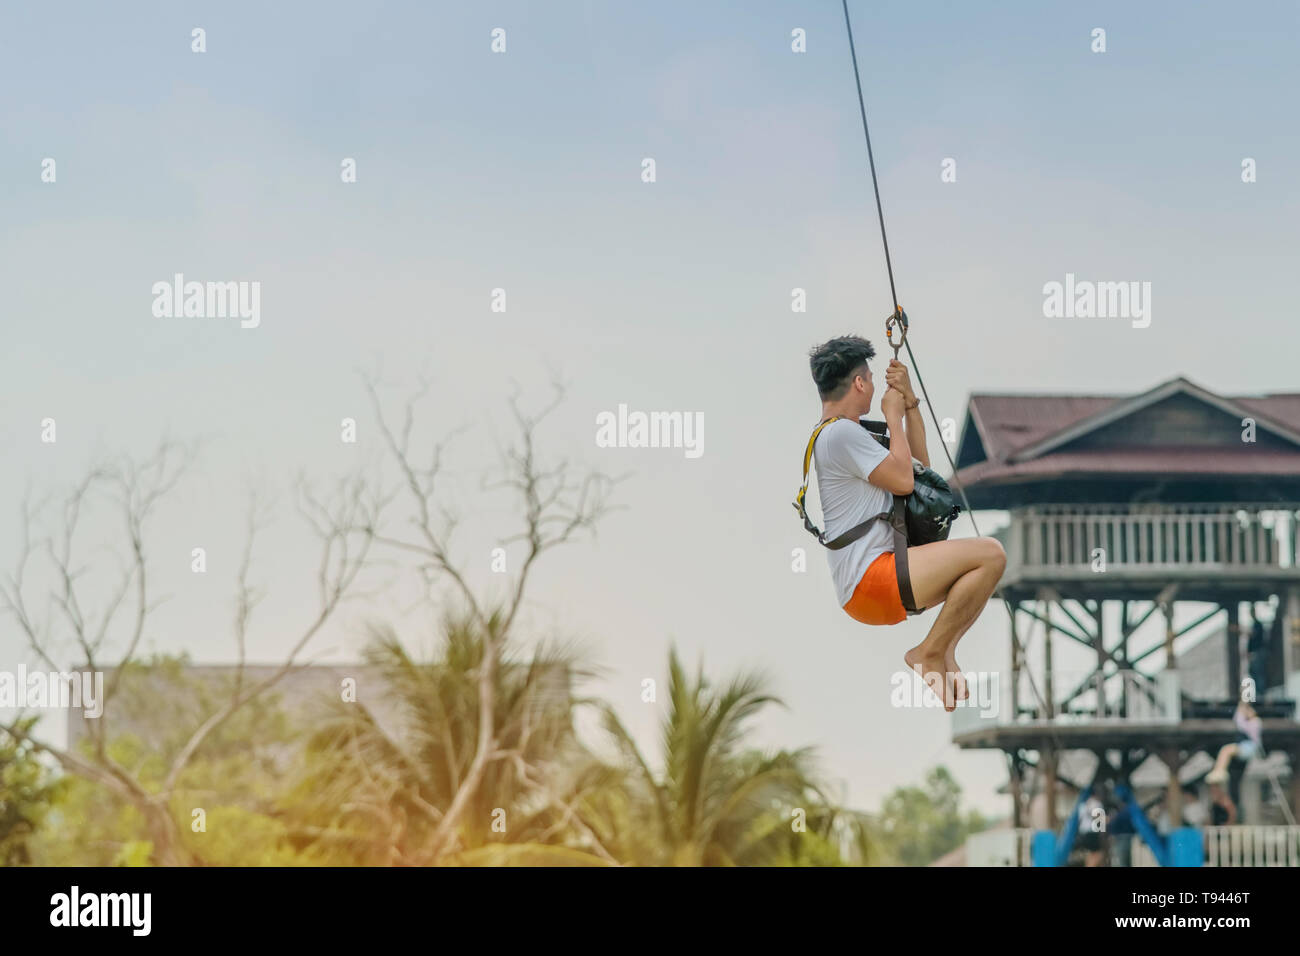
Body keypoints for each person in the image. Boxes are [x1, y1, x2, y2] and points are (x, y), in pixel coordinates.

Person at [807, 336, 1006, 710]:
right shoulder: (840, 434)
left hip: (876, 585)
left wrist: (910, 403)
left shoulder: (846, 434)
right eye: (869, 375)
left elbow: (919, 469)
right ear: (860, 383)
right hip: (873, 579)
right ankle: (930, 651)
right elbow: (903, 480)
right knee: (991, 555)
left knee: (979, 568)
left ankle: (939, 651)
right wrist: (893, 415)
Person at [1206, 700, 1262, 784]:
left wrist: (1241, 709)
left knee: (1226, 750)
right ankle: (1219, 770)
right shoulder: (1250, 722)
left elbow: (1241, 724)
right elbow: (1238, 720)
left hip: (1250, 747)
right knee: (1226, 750)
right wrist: (1240, 709)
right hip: (1246, 746)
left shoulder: (1256, 722)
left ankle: (1220, 771)